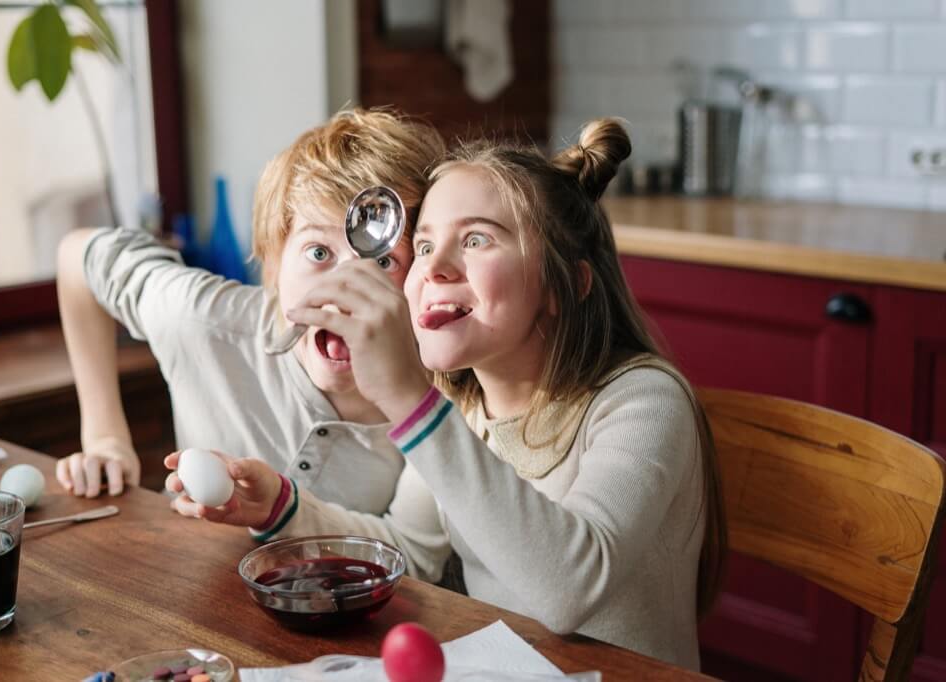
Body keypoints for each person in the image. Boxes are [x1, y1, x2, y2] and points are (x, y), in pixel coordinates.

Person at [165, 118, 726, 669]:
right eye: (425, 245)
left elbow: (569, 590)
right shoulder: (466, 406)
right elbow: (414, 551)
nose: (435, 268)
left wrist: (413, 403)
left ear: (564, 284)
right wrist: (280, 507)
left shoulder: (642, 400)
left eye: (476, 239)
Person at [54, 108, 447, 538]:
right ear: (275, 262)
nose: (344, 288)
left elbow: (416, 555)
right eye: (319, 253)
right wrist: (104, 436)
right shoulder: (207, 322)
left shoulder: (440, 388)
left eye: (384, 260)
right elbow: (78, 257)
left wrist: (277, 511)